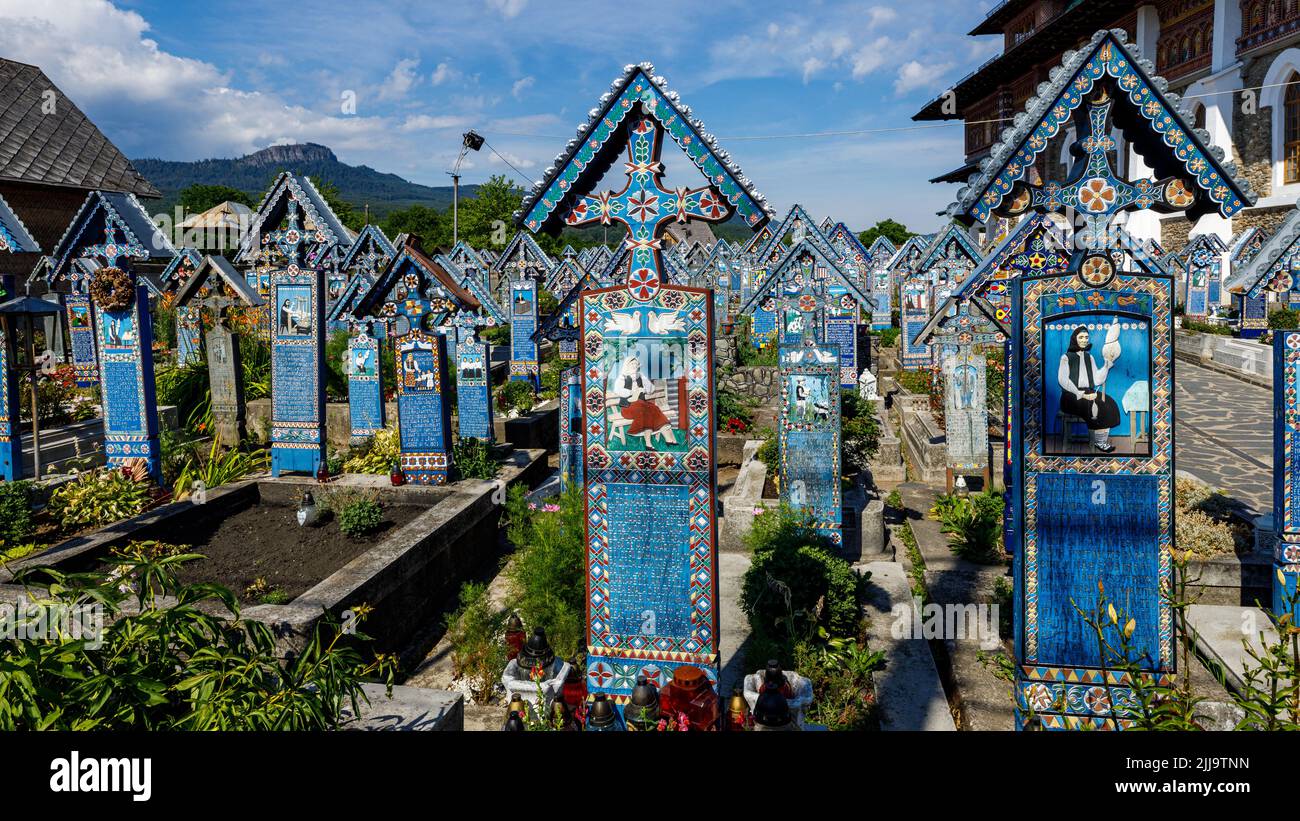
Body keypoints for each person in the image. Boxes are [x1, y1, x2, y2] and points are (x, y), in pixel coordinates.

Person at [1057, 325, 1121, 453]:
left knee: (1108, 403)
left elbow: (1097, 380)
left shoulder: (1089, 357)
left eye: (1086, 337)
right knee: (1094, 405)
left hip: (1088, 392)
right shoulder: (1066, 357)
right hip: (1071, 396)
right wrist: (1082, 394)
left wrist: (1106, 367)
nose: (1084, 340)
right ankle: (1099, 442)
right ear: (1075, 339)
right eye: (1081, 337)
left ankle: (1101, 441)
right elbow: (1063, 380)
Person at [611, 355, 676, 449]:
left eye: (635, 364)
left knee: (654, 408)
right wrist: (631, 392)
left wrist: (644, 389)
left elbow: (651, 389)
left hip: (641, 405)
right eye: (631, 364)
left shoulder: (640, 376)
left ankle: (666, 440)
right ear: (627, 365)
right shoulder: (623, 377)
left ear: (637, 366)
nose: (633, 366)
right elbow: (617, 390)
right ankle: (649, 443)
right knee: (647, 410)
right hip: (628, 406)